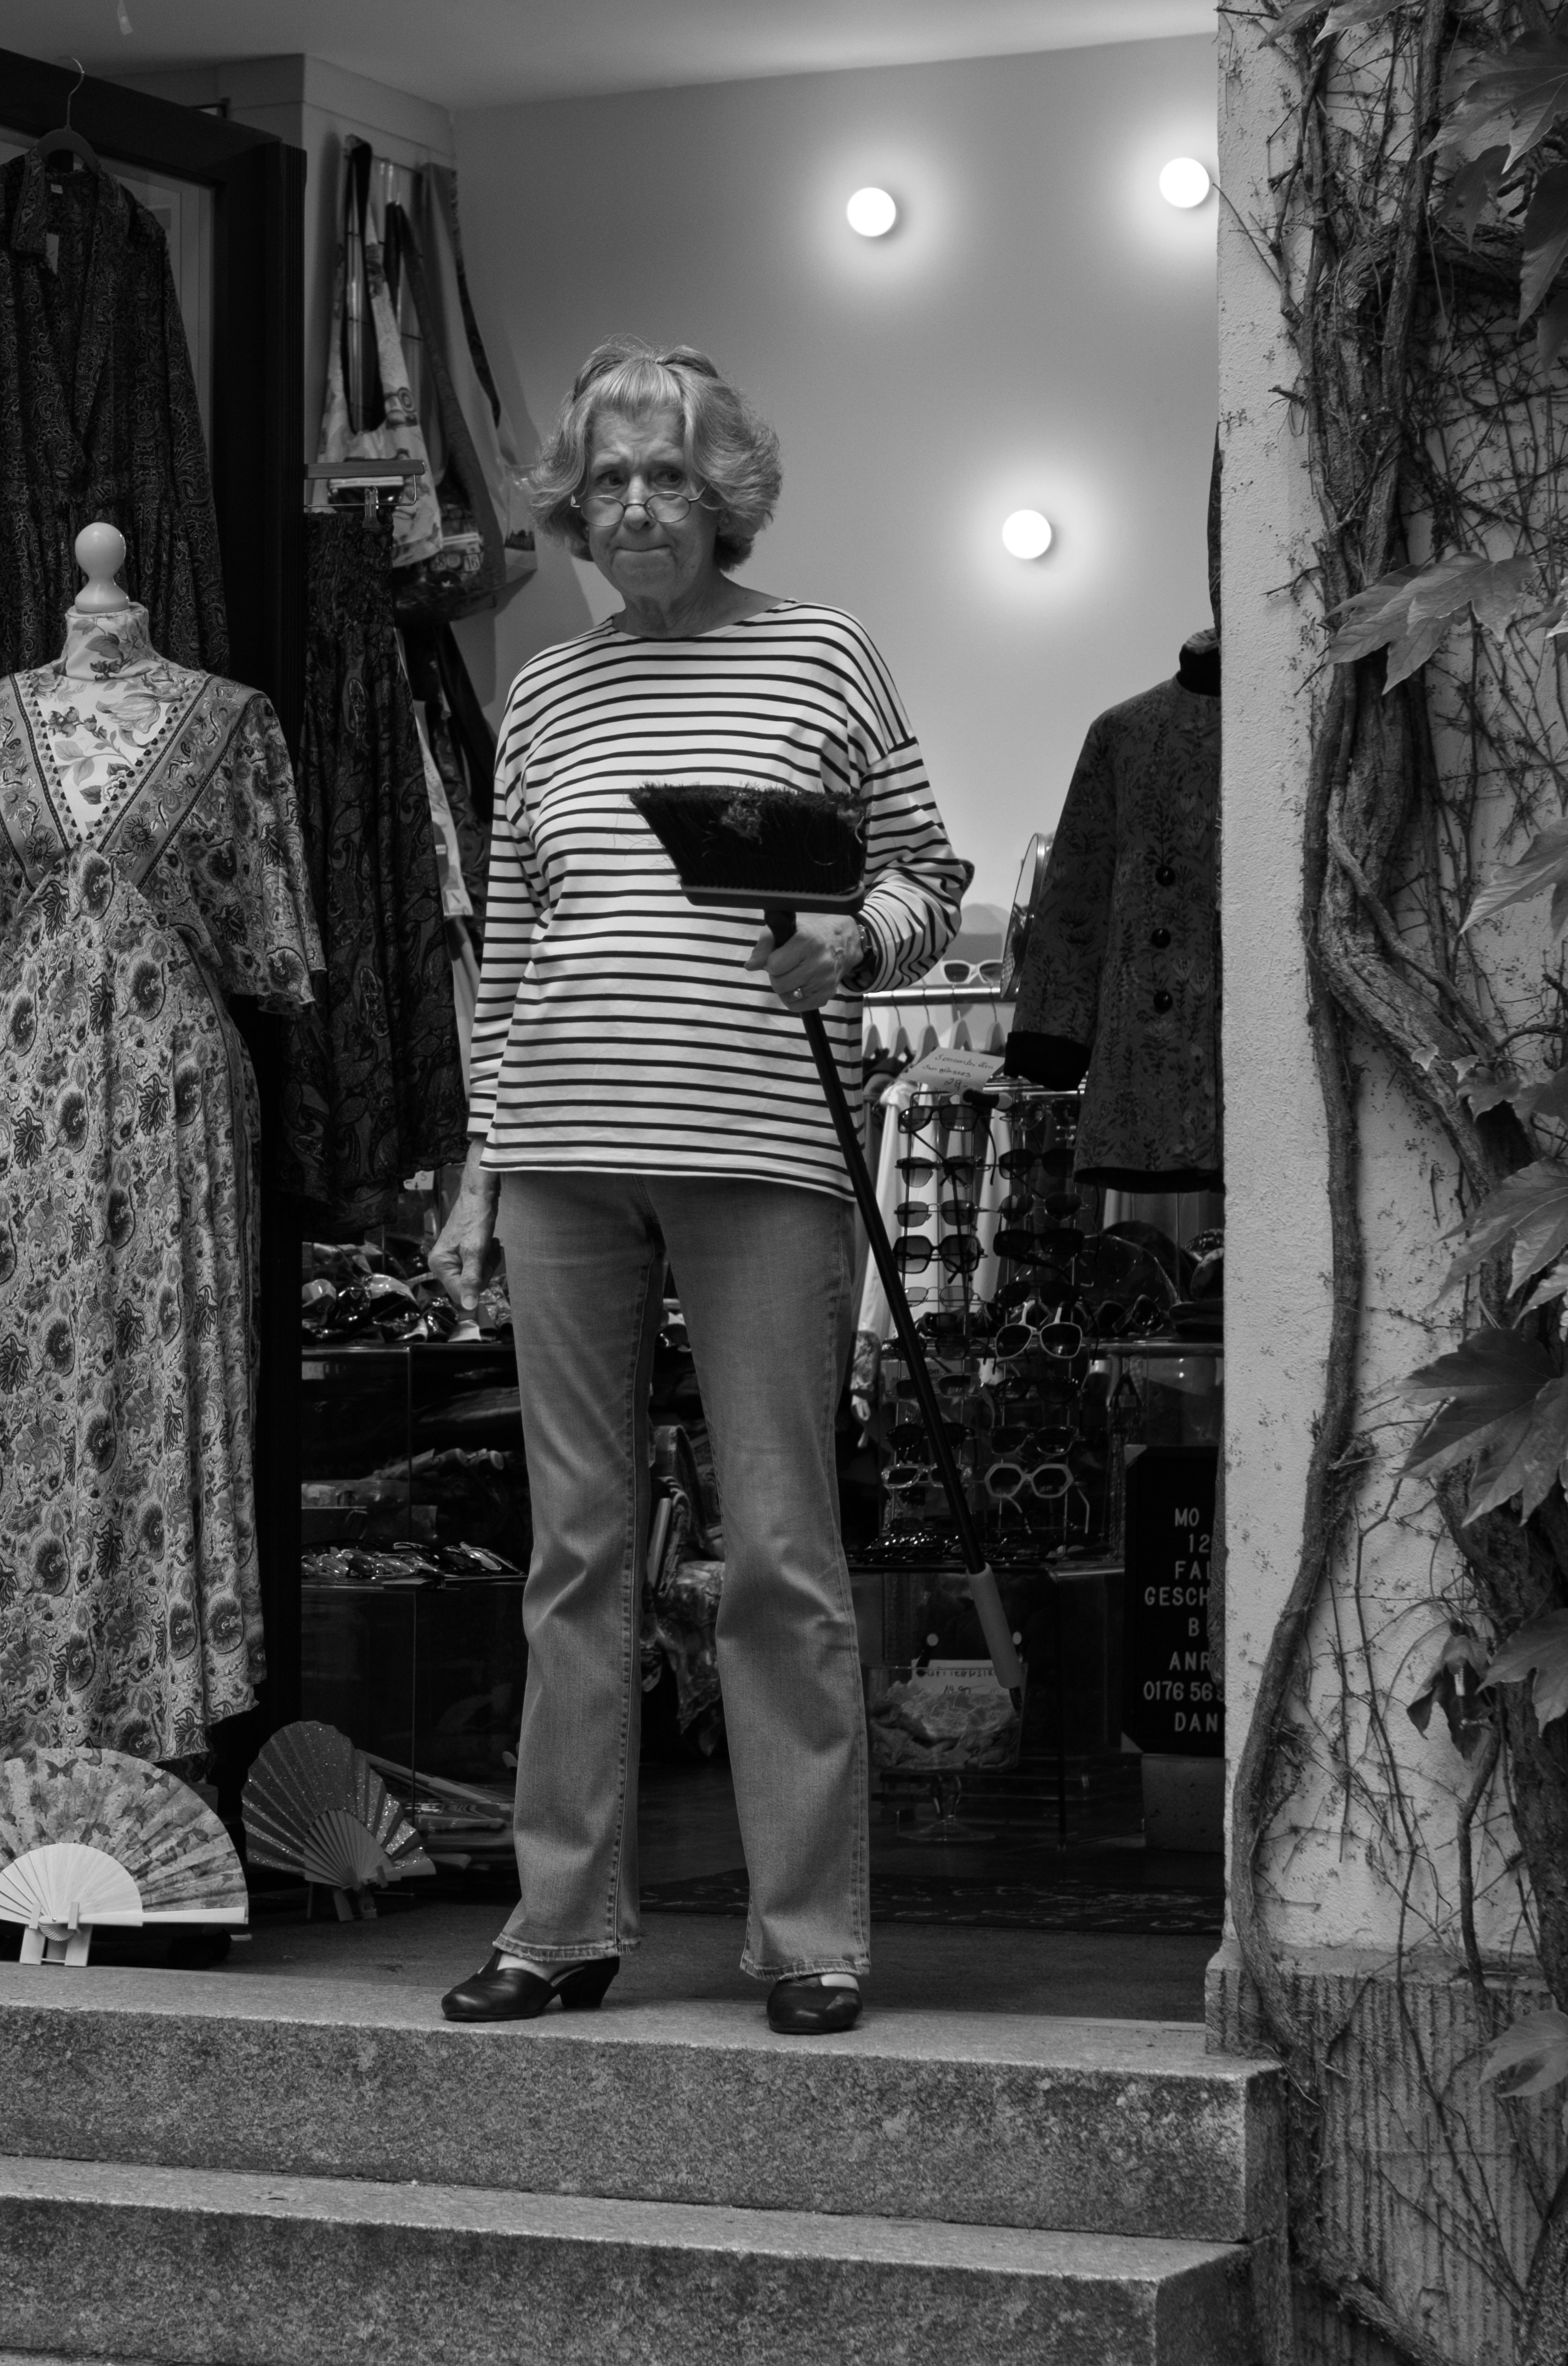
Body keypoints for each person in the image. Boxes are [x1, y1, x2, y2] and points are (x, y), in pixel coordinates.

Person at [428, 341, 967, 2037]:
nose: (638, 503)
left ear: (720, 490)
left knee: (780, 1553)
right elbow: (508, 956)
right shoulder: (550, 697)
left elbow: (928, 874)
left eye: (667, 473)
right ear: (571, 505)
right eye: (608, 479)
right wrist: (481, 1158)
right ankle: (558, 1926)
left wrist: (849, 941)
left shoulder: (823, 656)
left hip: (762, 1155)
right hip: (564, 1163)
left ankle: (807, 1939)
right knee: (573, 1553)